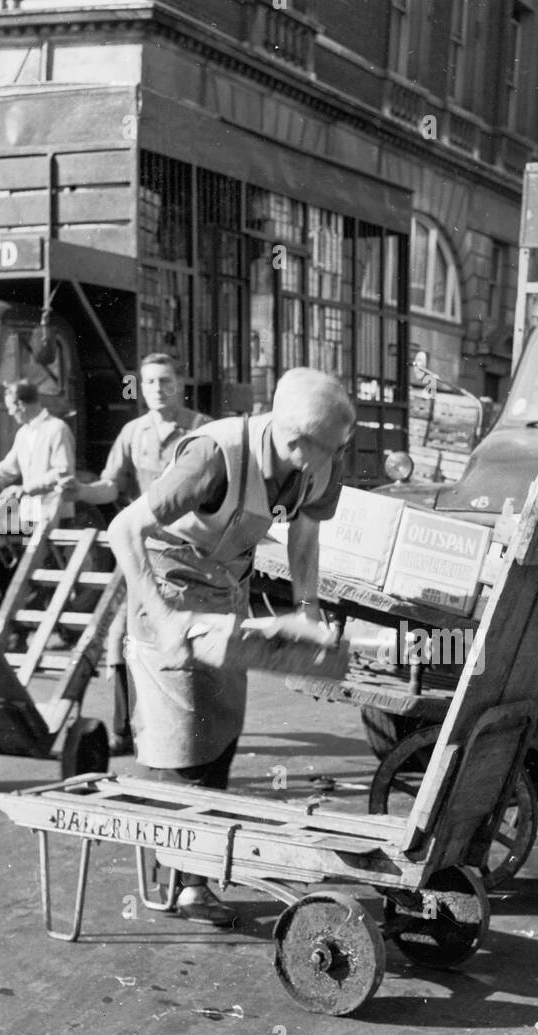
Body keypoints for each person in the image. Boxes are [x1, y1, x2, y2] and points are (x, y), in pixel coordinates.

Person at [108, 367, 354, 925]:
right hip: (166, 591)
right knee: (181, 737)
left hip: (225, 592)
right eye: (327, 451)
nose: (334, 461)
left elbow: (305, 532)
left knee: (220, 727)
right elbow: (124, 528)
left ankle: (194, 873)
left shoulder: (317, 460)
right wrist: (164, 617)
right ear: (294, 441)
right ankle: (180, 881)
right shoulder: (213, 455)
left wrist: (308, 612)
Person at [61, 354, 210, 757]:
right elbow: (111, 486)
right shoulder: (133, 432)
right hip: (143, 554)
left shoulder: (203, 432)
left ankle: (199, 731)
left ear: (181, 382)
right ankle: (123, 731)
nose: (157, 390)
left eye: (165, 381)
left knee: (192, 641)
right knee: (121, 637)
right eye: (148, 383)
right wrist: (81, 490)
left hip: (192, 556)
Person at [0, 380, 76, 526]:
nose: (10, 412)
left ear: (21, 405)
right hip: (31, 515)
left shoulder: (57, 429)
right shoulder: (23, 433)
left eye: (10, 407)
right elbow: (6, 470)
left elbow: (63, 472)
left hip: (55, 515)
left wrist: (25, 489)